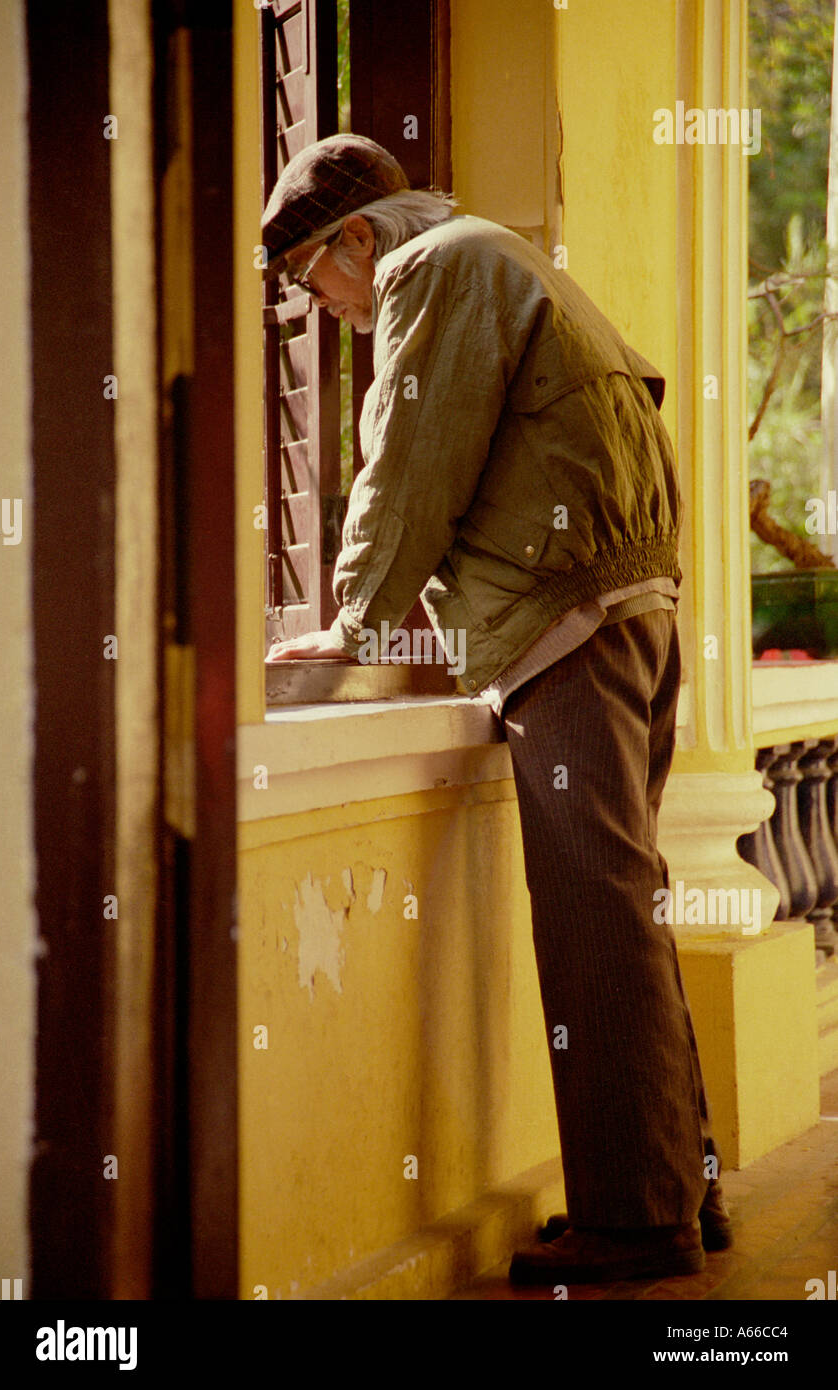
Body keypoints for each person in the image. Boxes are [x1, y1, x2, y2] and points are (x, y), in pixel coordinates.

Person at [263, 133, 731, 1285]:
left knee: (596, 921)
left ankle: (636, 1222)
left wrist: (362, 620)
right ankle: (686, 1189)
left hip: (567, 629)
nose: (324, 312)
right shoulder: (514, 261)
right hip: (630, 608)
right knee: (629, 911)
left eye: (311, 282)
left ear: (356, 240)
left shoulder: (437, 271)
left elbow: (414, 459)